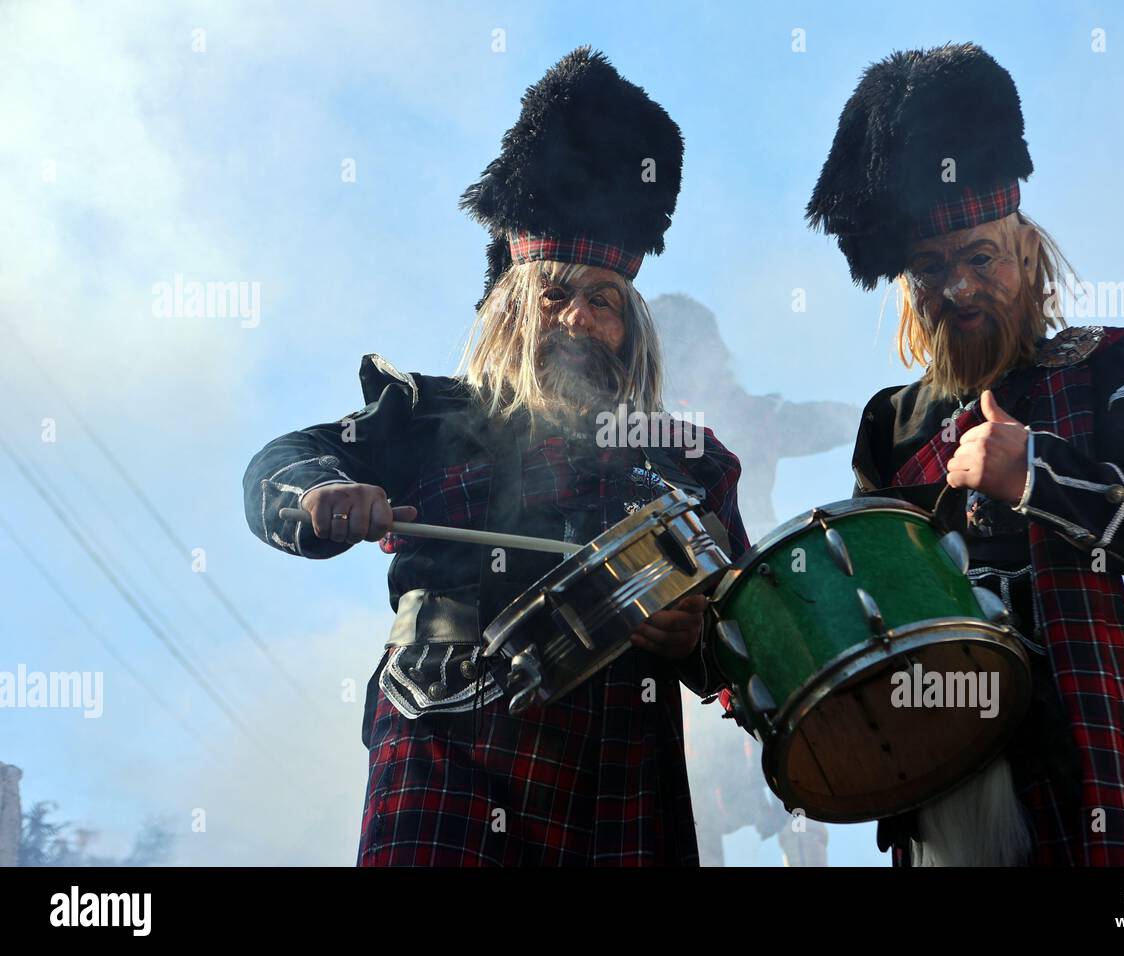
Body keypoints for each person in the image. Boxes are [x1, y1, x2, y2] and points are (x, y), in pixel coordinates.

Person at [242, 47, 748, 866]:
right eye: (555, 294)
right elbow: (284, 460)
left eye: (603, 300)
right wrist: (319, 496)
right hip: (445, 747)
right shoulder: (423, 414)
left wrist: (700, 633)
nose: (578, 320)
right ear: (512, 308)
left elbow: (751, 643)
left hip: (625, 773)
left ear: (632, 326)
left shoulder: (690, 462)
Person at [805, 42, 1124, 866]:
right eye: (930, 267)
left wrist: (1040, 473)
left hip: (1092, 776)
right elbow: (863, 613)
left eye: (979, 258)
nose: (957, 288)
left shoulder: (1110, 367)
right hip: (938, 806)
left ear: (1026, 251)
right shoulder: (889, 426)